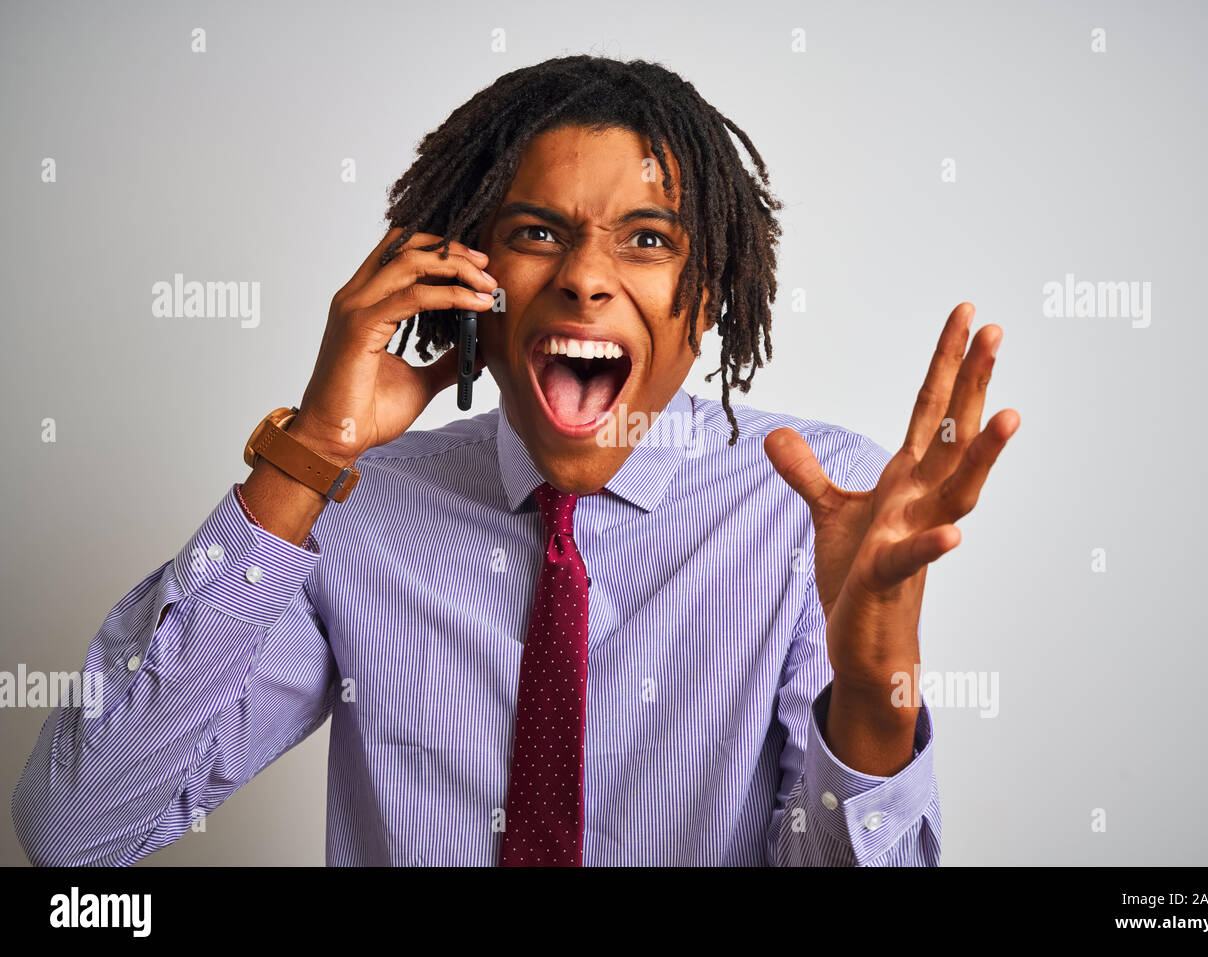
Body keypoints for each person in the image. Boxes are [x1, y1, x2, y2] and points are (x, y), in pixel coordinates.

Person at [13, 54, 1017, 866]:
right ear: (467, 287)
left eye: (647, 241)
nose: (584, 278)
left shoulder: (813, 505)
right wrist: (307, 451)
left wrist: (874, 665)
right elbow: (77, 836)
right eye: (537, 233)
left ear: (705, 303)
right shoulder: (356, 509)